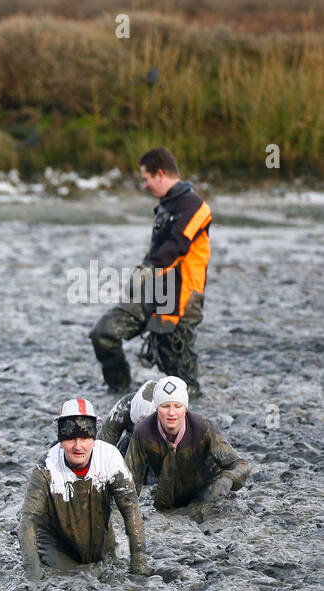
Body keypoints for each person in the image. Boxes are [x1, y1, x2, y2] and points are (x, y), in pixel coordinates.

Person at [90, 147, 211, 397]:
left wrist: (147, 268)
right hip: (154, 291)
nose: (145, 186)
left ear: (159, 174)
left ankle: (192, 424)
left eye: (145, 179)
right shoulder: (166, 205)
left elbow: (178, 244)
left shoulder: (196, 206)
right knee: (103, 333)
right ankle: (120, 396)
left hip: (181, 299)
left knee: (183, 386)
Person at [18, 399, 147, 581]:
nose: (78, 446)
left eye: (85, 438)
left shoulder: (110, 458)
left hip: (101, 541)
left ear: (93, 439)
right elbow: (28, 520)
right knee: (66, 580)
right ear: (61, 441)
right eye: (70, 438)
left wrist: (139, 561)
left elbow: (130, 508)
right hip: (58, 546)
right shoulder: (46, 467)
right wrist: (32, 572)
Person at [124, 376, 250, 510]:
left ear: (185, 408)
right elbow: (128, 481)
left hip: (209, 497)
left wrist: (228, 479)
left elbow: (240, 465)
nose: (171, 413)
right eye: (165, 406)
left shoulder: (203, 428)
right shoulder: (143, 431)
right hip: (168, 497)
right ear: (157, 408)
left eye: (177, 406)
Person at [97, 379, 158, 451]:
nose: (145, 426)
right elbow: (101, 446)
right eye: (141, 421)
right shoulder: (124, 408)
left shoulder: (170, 414)